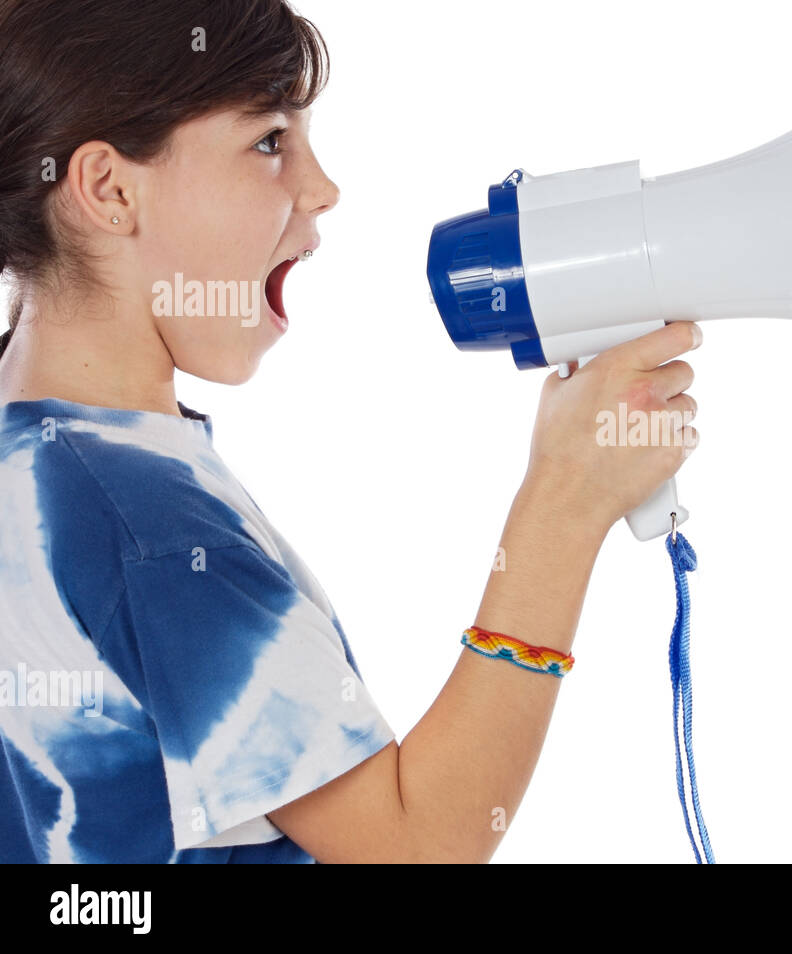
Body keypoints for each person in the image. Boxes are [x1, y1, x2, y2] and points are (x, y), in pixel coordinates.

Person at [0, 0, 700, 863]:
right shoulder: (147, 522)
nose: (322, 187)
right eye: (268, 141)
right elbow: (413, 846)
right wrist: (565, 504)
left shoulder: (39, 459)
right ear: (110, 189)